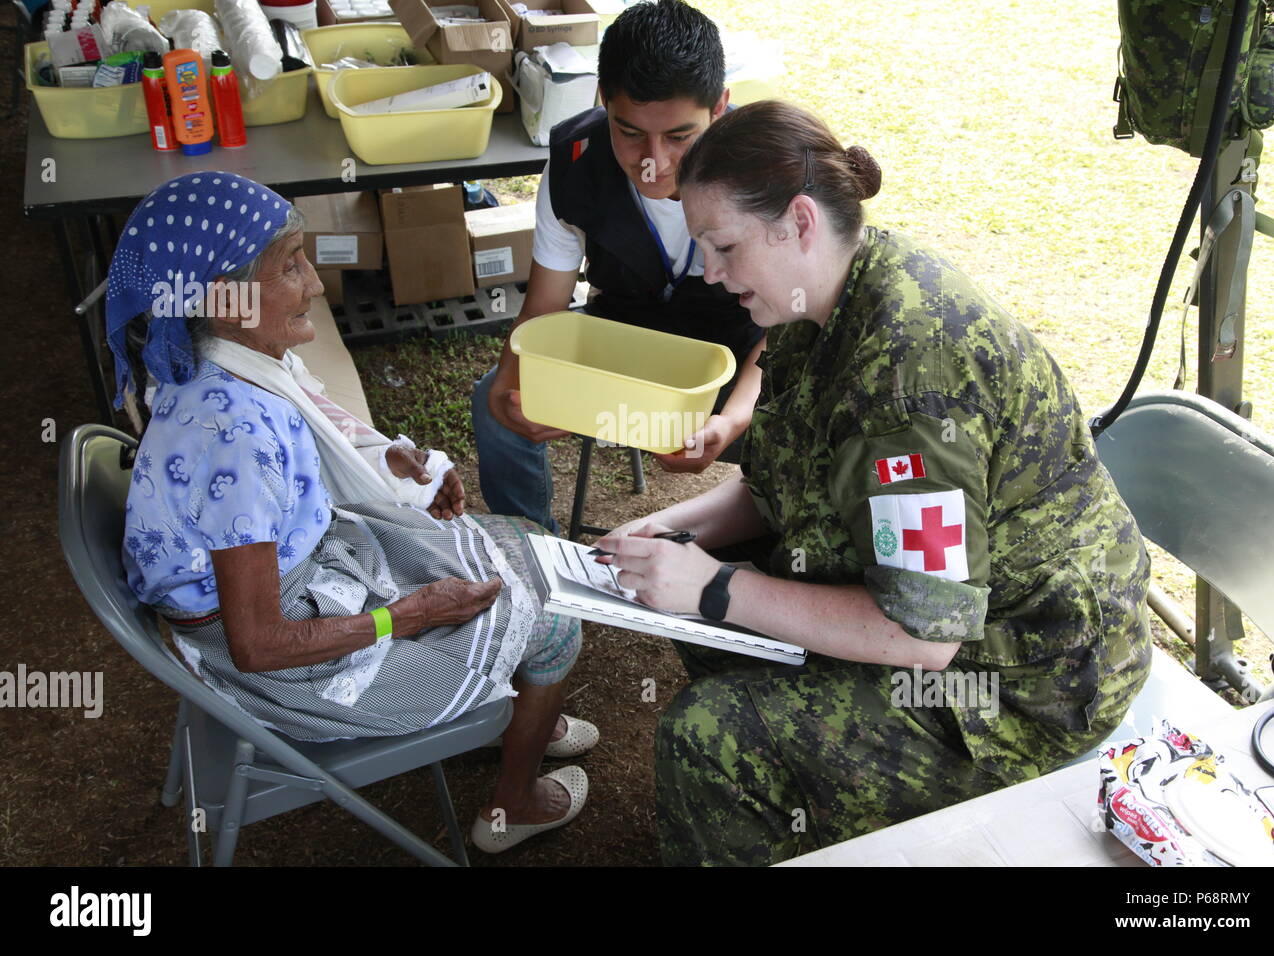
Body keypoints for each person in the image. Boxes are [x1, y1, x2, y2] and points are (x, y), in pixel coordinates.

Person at [592, 101, 1154, 866]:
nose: (711, 273)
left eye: (723, 246)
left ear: (798, 222)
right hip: (960, 629)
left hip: (1022, 685)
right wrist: (676, 532)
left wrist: (714, 587)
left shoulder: (907, 379)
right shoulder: (813, 302)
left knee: (709, 734)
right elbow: (785, 485)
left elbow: (925, 636)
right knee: (720, 638)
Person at [108, 173, 598, 854]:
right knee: (554, 621)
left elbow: (306, 448)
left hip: (296, 576)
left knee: (522, 543)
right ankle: (511, 805)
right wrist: (413, 616)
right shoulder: (236, 437)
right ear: (226, 298)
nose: (313, 283)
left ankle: (529, 715)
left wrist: (389, 460)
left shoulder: (206, 361)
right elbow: (257, 645)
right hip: (279, 665)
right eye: (291, 265)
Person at [470, 0, 765, 533]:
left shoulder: (764, 170)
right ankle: (532, 548)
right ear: (602, 98)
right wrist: (511, 384)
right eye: (629, 132)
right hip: (620, 351)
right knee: (496, 398)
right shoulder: (574, 163)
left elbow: (787, 330)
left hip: (734, 366)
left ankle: (770, 560)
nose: (654, 160)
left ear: (720, 106)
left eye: (680, 136)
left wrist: (733, 419)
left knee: (817, 426)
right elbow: (543, 308)